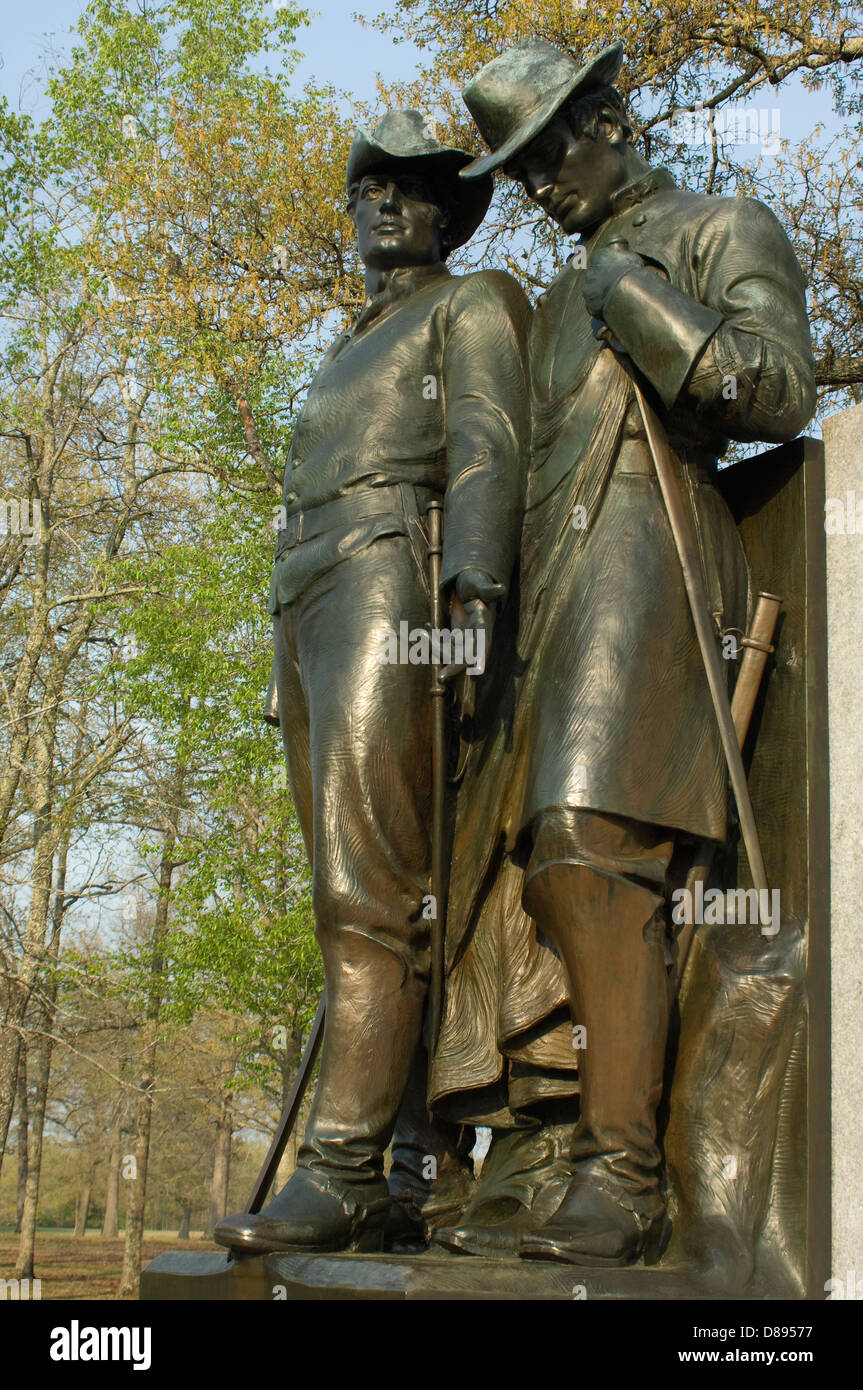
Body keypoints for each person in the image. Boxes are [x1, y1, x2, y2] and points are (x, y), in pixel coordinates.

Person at [430, 40, 816, 1266]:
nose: (540, 181)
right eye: (519, 164)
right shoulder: (541, 308)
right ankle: (536, 1152)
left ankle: (624, 1171)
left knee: (590, 849)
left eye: (554, 147)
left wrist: (637, 300)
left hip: (650, 569)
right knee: (518, 881)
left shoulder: (718, 223)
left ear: (608, 115)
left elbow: (773, 389)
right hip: (545, 601)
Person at [214, 111, 531, 1255]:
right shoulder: (350, 342)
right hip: (310, 594)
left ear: (446, 213)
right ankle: (407, 1168)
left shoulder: (473, 301)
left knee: (372, 891)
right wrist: (276, 657)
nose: (383, 206)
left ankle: (347, 1165)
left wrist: (478, 585)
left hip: (390, 576)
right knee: (350, 890)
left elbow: (489, 439)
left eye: (408, 191)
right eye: (366, 190)